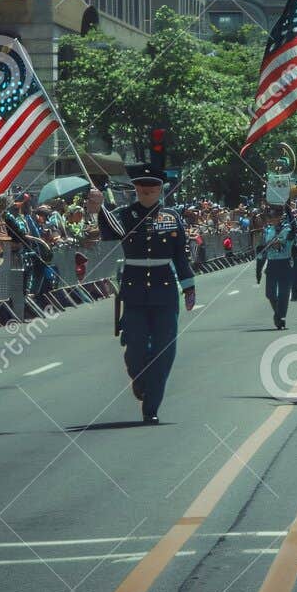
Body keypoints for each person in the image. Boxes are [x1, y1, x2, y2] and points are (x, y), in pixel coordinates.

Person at [87, 164, 197, 423]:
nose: (147, 191)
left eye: (152, 187)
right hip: (134, 290)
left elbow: (181, 256)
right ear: (135, 189)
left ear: (161, 190)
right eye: (142, 187)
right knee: (135, 347)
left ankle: (152, 406)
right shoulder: (125, 215)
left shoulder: (172, 217)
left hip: (165, 290)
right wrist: (99, 207)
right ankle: (138, 377)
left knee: (163, 350)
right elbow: (109, 230)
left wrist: (189, 286)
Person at [259, 205, 296, 329]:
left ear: (280, 217)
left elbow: (283, 240)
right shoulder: (267, 230)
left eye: (274, 216)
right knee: (270, 293)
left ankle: (280, 317)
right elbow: (263, 248)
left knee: (284, 293)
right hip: (272, 263)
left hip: (284, 262)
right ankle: (278, 313)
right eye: (270, 217)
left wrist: (288, 209)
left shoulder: (286, 228)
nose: (272, 219)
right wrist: (258, 269)